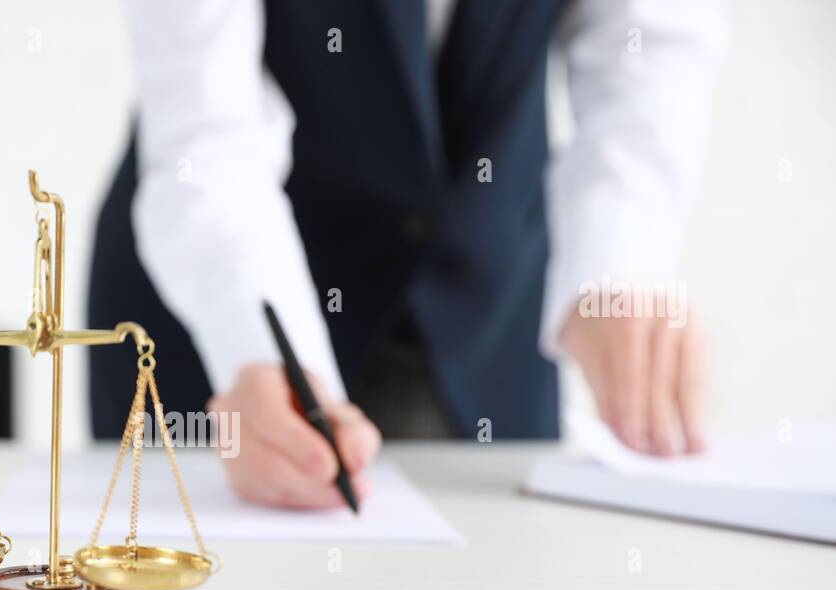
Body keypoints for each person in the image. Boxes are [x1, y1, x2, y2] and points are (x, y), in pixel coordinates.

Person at [87, 0, 727, 509]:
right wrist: (255, 342)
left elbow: (647, 41)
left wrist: (618, 254)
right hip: (214, 319)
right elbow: (207, 136)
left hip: (488, 328)